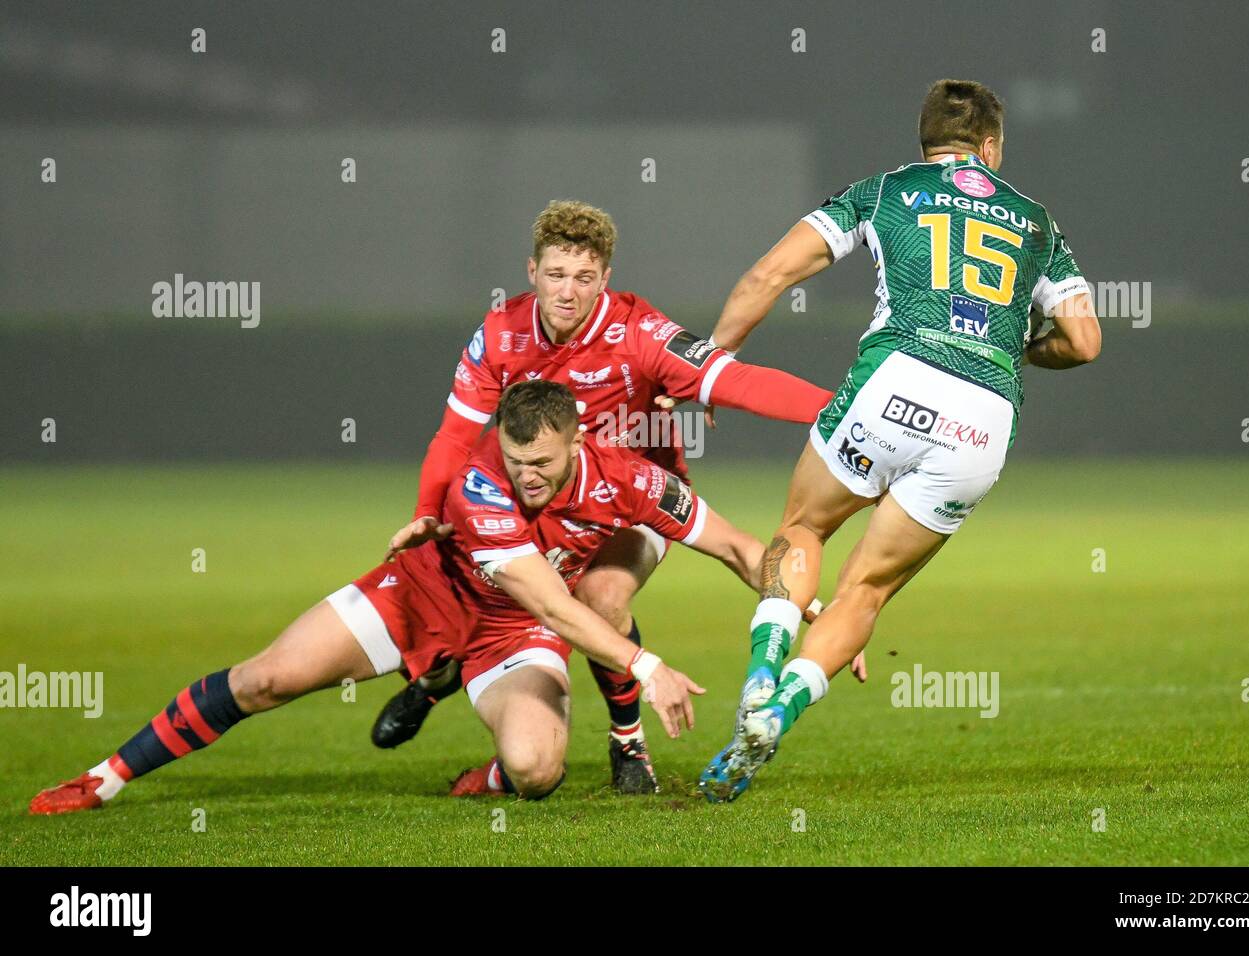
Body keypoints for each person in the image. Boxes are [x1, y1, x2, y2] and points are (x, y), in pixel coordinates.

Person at [29, 381, 769, 813]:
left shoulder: (630, 480)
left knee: (537, 774)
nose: (528, 476)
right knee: (264, 680)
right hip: (422, 596)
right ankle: (106, 777)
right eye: (517, 461)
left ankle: (477, 756)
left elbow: (739, 548)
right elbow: (553, 603)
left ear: (576, 442)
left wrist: (811, 611)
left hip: (510, 635)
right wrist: (645, 664)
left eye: (541, 462)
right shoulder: (482, 488)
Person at [697, 79, 1102, 801]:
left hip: (896, 384)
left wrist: (711, 363)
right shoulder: (1036, 222)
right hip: (983, 419)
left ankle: (764, 666)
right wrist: (1023, 350)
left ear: (925, 142)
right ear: (991, 146)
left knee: (805, 525)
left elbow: (772, 273)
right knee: (869, 589)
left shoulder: (885, 190)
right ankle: (781, 710)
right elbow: (1086, 340)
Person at [372, 199, 832, 794]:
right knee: (478, 590)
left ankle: (627, 741)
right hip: (535, 502)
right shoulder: (499, 334)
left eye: (584, 278)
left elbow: (735, 382)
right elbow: (456, 435)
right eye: (557, 275)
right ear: (532, 272)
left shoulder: (638, 332)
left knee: (600, 593)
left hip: (631, 500)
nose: (568, 292)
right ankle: (439, 675)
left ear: (605, 280)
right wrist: (428, 515)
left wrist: (839, 410)